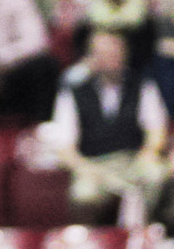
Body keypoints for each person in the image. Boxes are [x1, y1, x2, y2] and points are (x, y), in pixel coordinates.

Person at [43, 30, 170, 223]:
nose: (112, 57)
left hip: (132, 160)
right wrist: (85, 168)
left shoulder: (142, 85)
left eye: (116, 52)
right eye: (105, 53)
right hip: (94, 164)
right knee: (84, 194)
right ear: (92, 57)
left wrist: (149, 152)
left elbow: (156, 130)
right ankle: (91, 246)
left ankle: (146, 237)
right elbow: (64, 147)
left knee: (154, 174)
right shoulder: (74, 91)